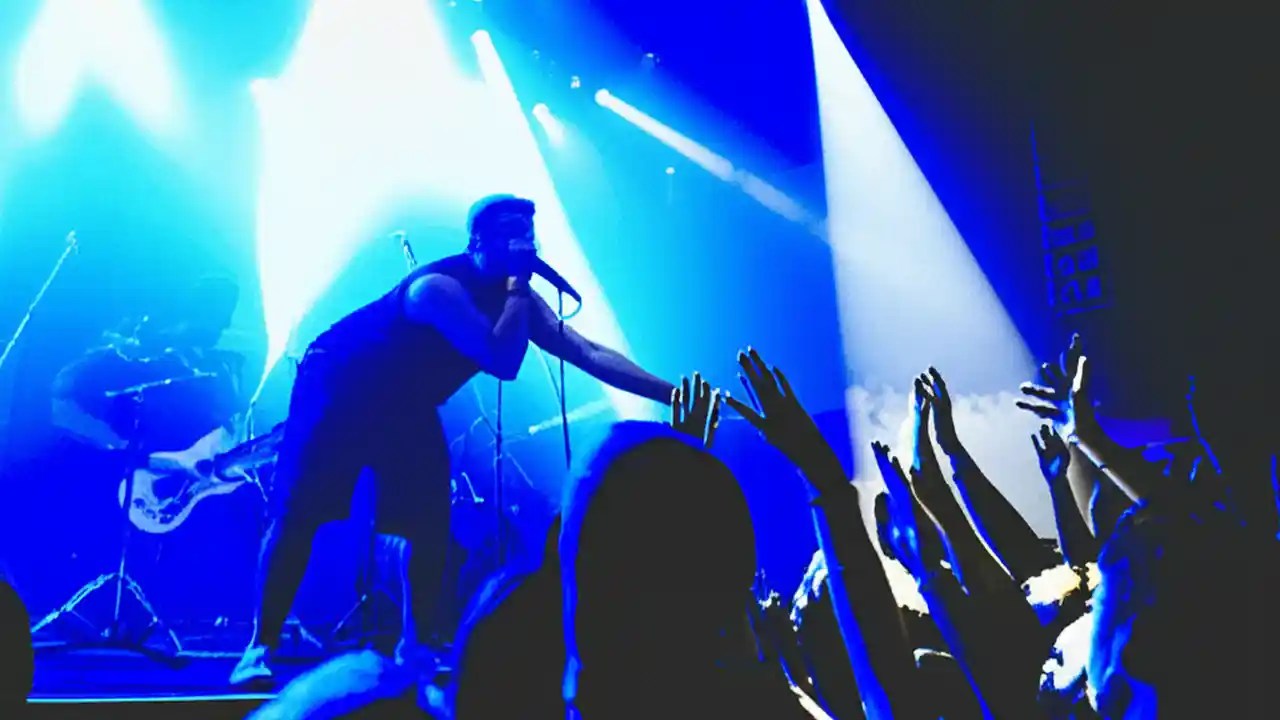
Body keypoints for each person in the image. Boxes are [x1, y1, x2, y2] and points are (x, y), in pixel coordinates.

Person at [232, 194, 675, 685]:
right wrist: (516, 293)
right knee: (300, 513)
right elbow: (501, 359)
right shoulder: (437, 289)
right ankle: (259, 648)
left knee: (427, 521)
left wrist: (672, 394)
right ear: (477, 242)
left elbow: (587, 351)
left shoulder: (515, 296)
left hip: (405, 401)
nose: (521, 241)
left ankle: (415, 647)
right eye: (509, 231)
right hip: (340, 384)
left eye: (527, 231)